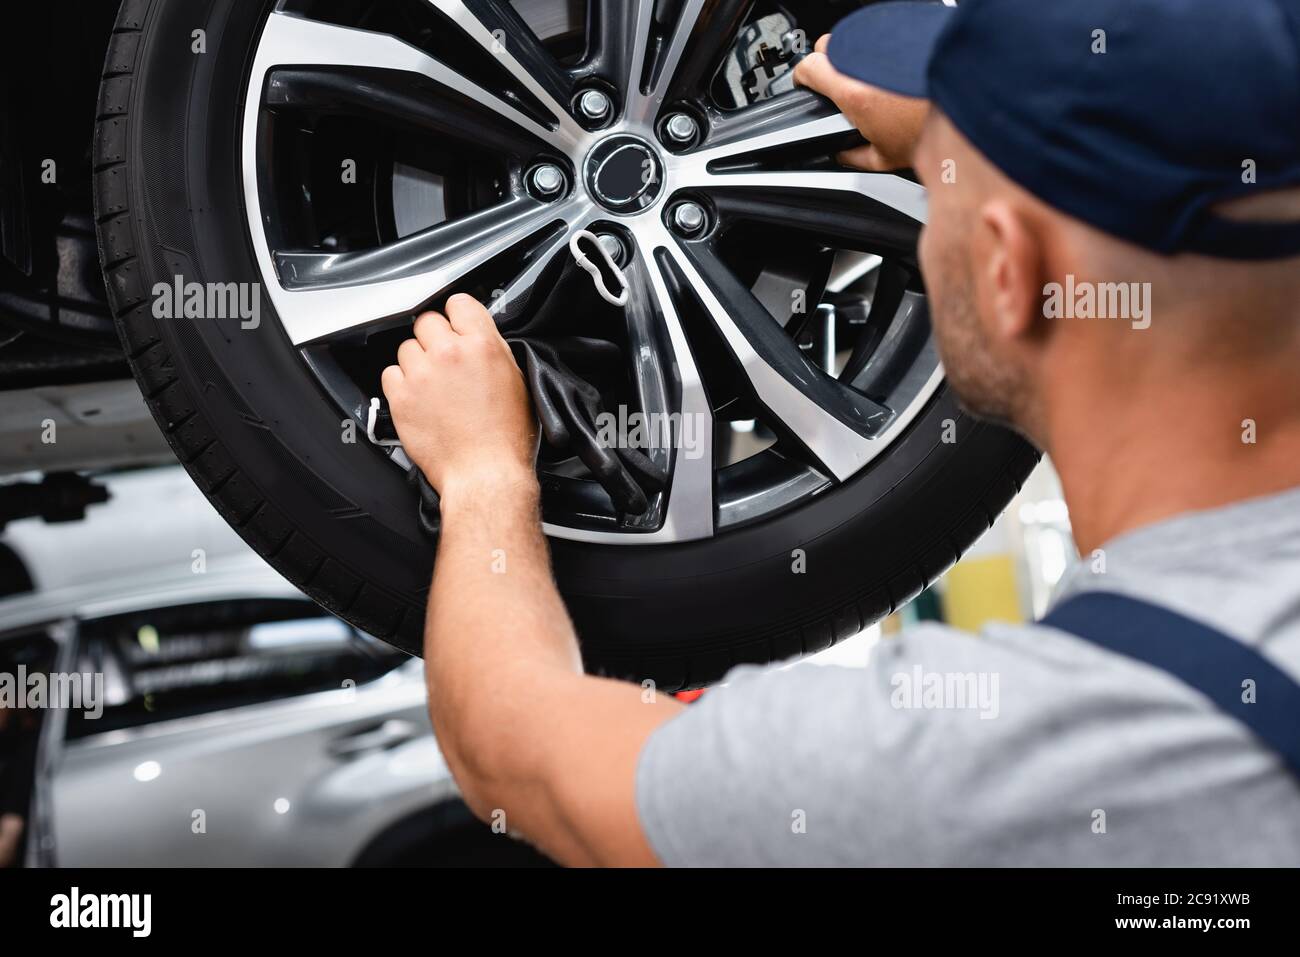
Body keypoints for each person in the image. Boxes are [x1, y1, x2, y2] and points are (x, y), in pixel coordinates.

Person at [380, 0, 1300, 865]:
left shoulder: (1032, 766)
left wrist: (482, 476)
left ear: (1013, 275)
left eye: (944, 197)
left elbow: (521, 756)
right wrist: (955, 152)